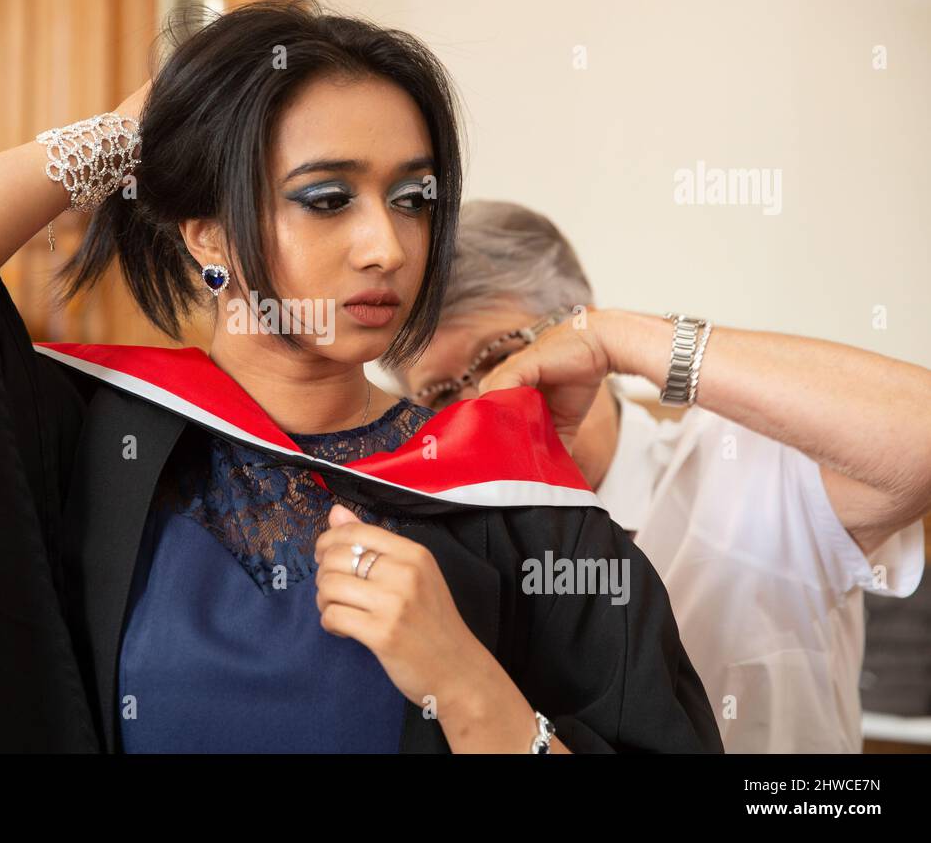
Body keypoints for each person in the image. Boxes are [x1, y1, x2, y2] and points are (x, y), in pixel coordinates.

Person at [0, 0, 722, 753]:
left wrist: (472, 692)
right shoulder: (87, 442)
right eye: (326, 198)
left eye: (412, 198)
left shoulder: (515, 498)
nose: (384, 245)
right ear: (210, 235)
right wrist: (127, 132)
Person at [398, 199, 930, 752]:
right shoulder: (448, 562)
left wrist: (620, 339)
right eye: (440, 394)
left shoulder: (749, 468)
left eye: (498, 358)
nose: (484, 404)